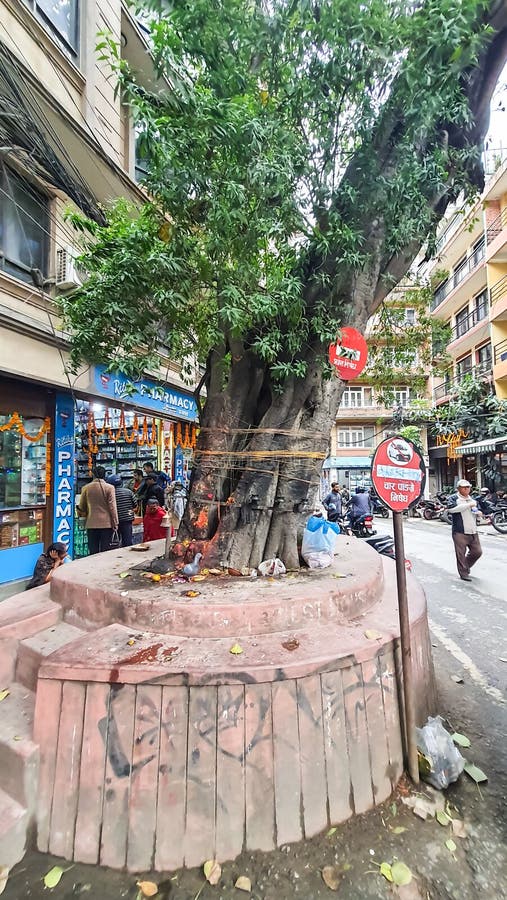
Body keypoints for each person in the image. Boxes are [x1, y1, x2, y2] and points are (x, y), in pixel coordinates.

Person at [77, 465, 119, 554]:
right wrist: (115, 523)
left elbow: (82, 506)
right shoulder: (110, 488)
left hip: (91, 523)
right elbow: (112, 507)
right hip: (106, 524)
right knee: (105, 551)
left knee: (93, 550)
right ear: (105, 475)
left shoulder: (86, 488)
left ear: (93, 475)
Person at [446, 479, 482, 582]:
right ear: (458, 488)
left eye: (468, 487)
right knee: (461, 553)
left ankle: (465, 566)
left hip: (473, 530)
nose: (467, 489)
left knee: (477, 552)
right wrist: (468, 505)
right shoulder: (453, 498)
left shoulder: (472, 499)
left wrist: (479, 513)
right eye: (464, 487)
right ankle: (463, 573)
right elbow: (452, 509)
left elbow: (477, 510)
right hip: (460, 531)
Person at [106, 475, 136, 547]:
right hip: (127, 519)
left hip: (114, 520)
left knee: (115, 541)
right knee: (127, 540)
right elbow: (135, 505)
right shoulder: (129, 492)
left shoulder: (109, 494)